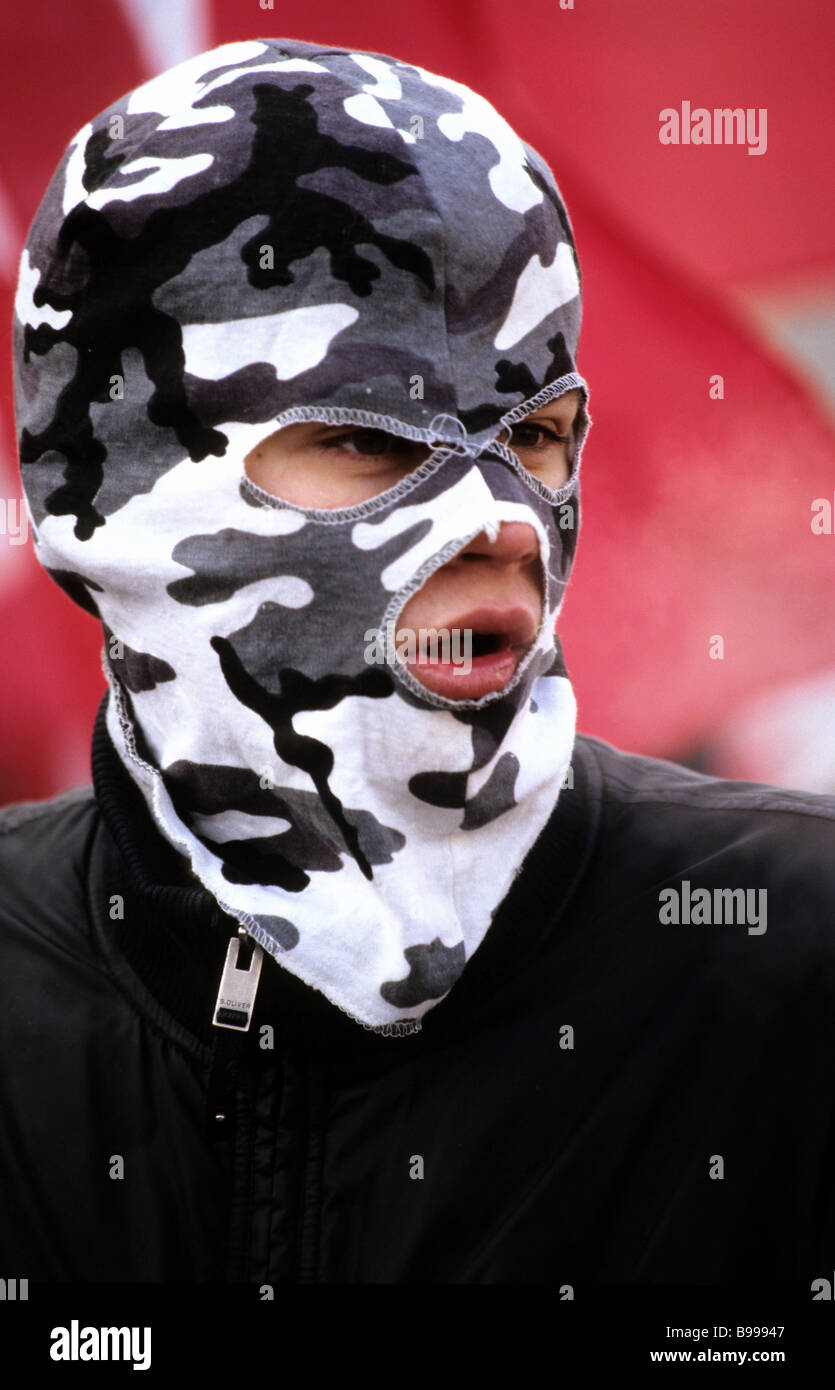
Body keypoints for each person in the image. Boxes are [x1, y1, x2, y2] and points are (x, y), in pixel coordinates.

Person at [3, 36, 834, 1289]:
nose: (500, 520)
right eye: (368, 440)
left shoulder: (797, 954)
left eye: (534, 435)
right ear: (109, 482)